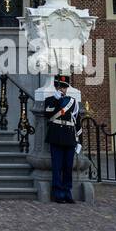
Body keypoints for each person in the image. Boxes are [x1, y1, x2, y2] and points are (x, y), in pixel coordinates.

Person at [42, 74, 78, 203]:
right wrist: (56, 100)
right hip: (56, 136)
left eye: (64, 87)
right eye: (60, 87)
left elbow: (77, 121)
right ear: (56, 87)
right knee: (57, 167)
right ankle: (58, 194)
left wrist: (79, 140)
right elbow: (48, 113)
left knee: (68, 167)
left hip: (69, 137)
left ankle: (67, 193)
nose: (62, 89)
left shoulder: (73, 102)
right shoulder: (50, 100)